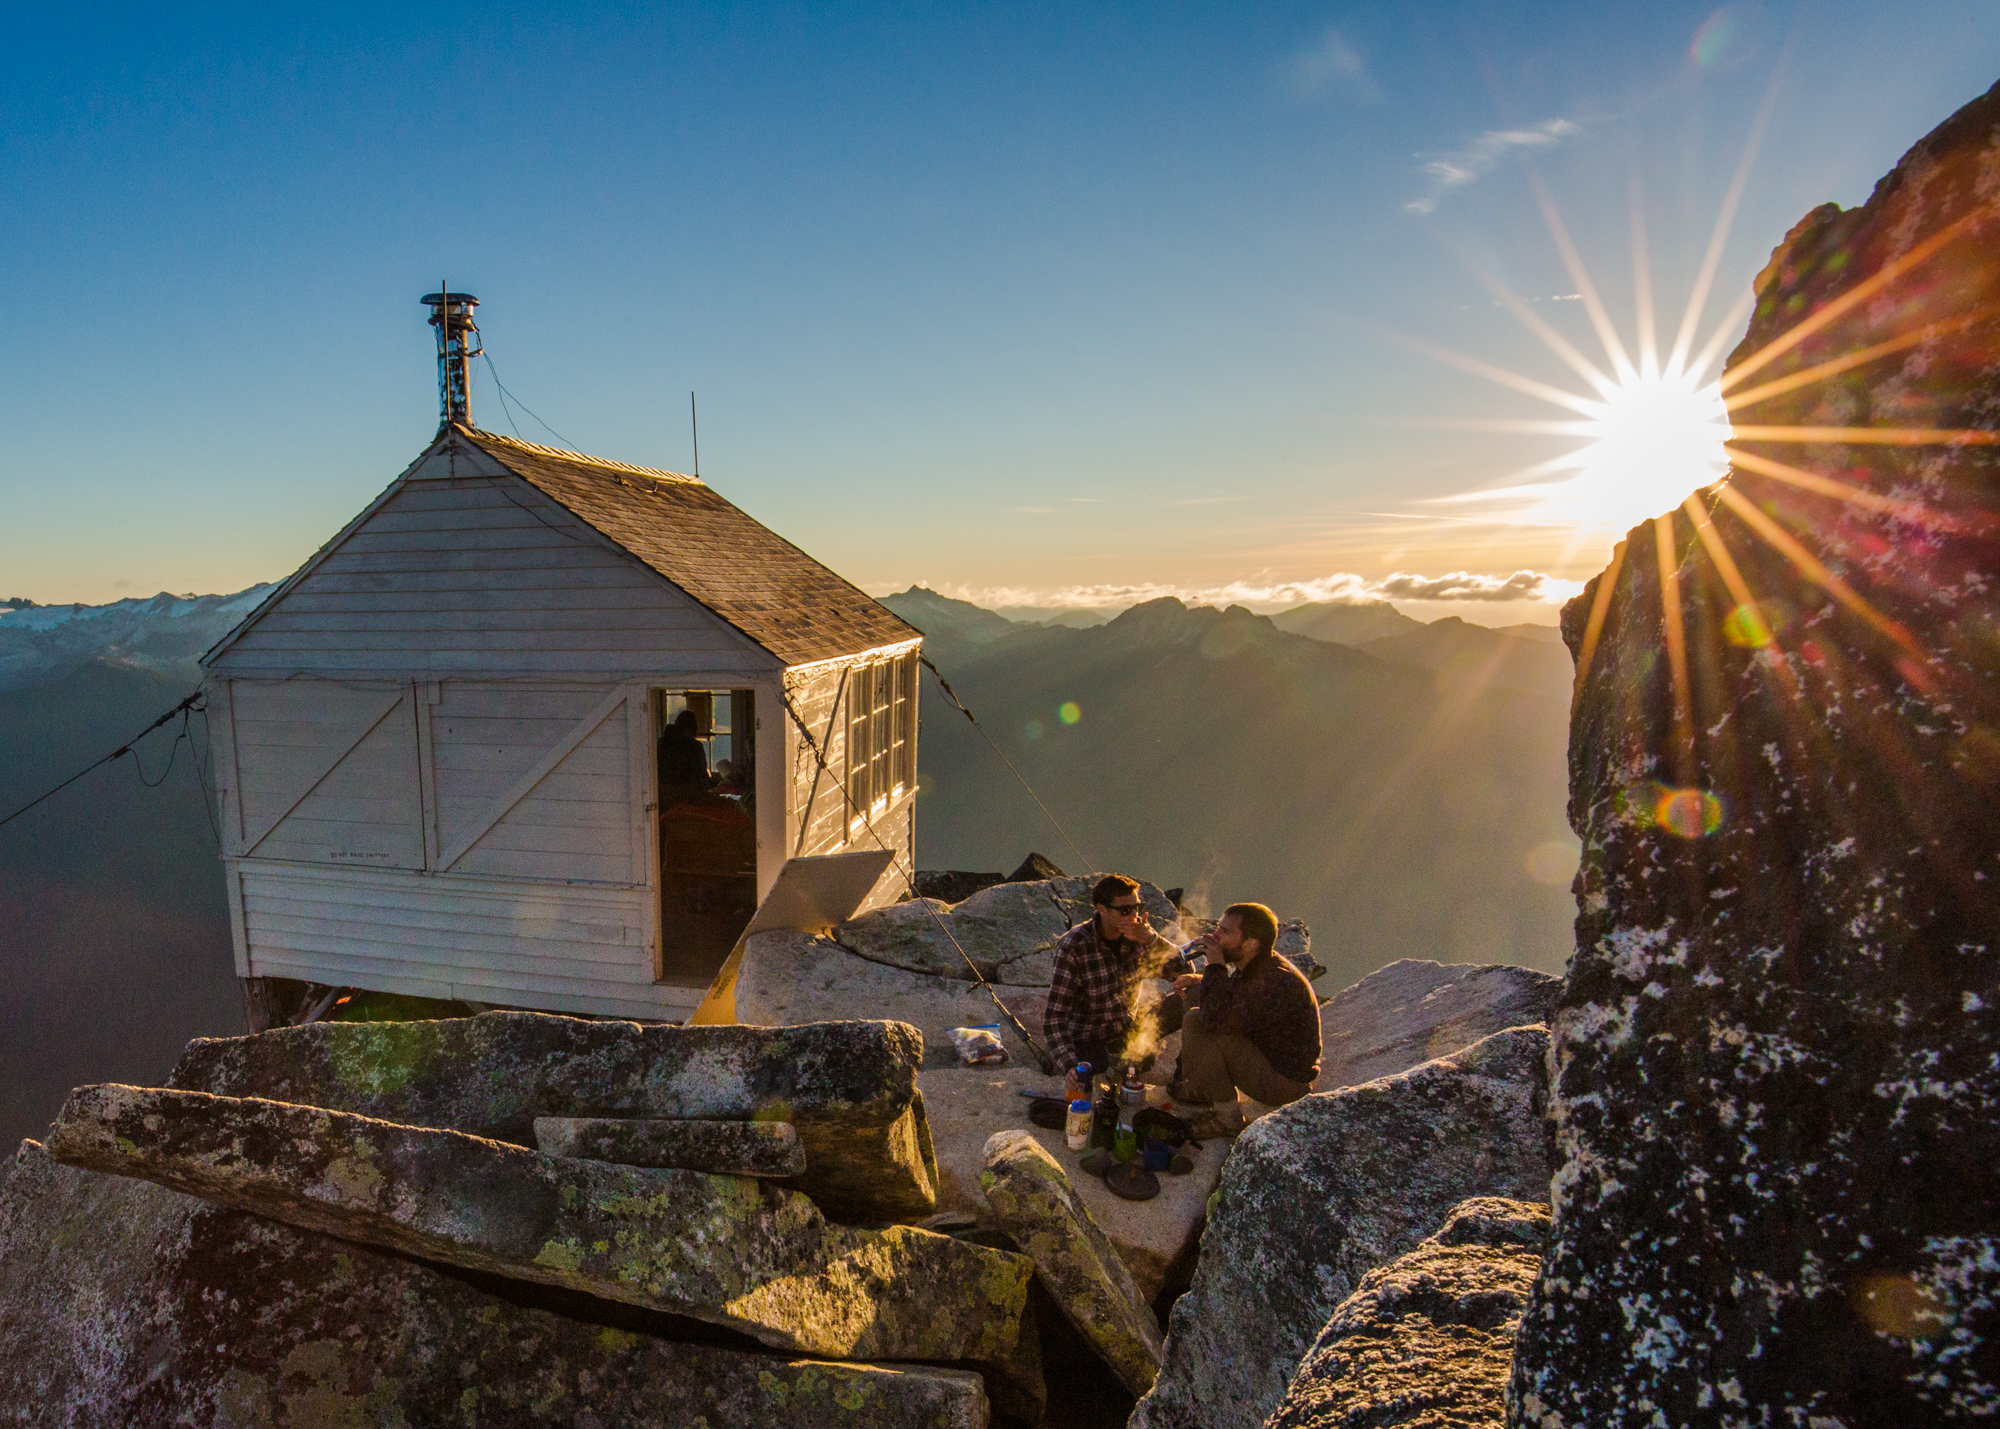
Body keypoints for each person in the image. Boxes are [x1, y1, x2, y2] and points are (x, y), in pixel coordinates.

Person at [1168, 902, 1321, 1133]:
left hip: (1283, 1082)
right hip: (1265, 1053)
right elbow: (1238, 993)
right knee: (1198, 993)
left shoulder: (1276, 981)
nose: (1215, 936)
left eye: (1225, 932)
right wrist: (1199, 980)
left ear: (1250, 943)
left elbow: (1214, 1020)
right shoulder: (1258, 962)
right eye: (1219, 928)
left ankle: (1228, 1118)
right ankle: (1195, 1084)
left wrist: (1216, 966)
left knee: (1196, 1020)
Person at [1043, 874, 1191, 1077]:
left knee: (1196, 993)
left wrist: (1152, 939)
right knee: (1103, 1068)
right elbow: (1055, 1016)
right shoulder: (1074, 946)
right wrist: (1069, 1065)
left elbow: (1184, 974)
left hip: (1127, 1026)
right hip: (1089, 1035)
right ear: (1102, 910)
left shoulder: (1139, 935)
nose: (1133, 915)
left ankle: (1186, 1078)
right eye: (1125, 910)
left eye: (1137, 907)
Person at [657, 710, 711, 803]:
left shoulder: (662, 743)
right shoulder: (695, 747)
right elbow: (701, 773)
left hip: (663, 795)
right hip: (688, 797)